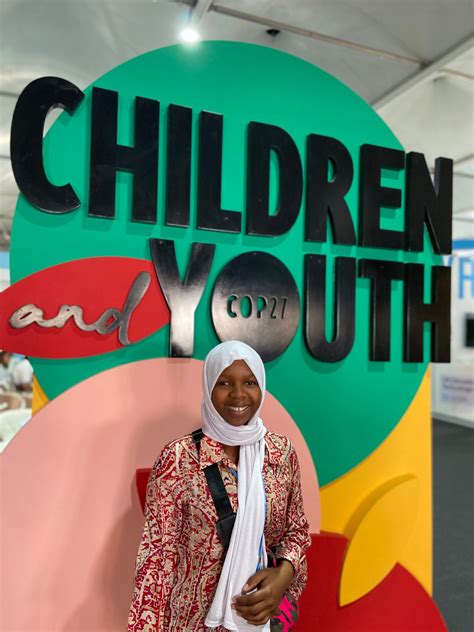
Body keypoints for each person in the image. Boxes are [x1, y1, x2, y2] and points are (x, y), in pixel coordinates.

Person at [128, 340, 311, 631]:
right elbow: (156, 560)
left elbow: (296, 531)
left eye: (249, 382)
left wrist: (283, 576)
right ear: (209, 387)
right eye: (224, 383)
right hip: (192, 623)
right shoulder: (179, 458)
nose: (238, 394)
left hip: (259, 620)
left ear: (261, 387)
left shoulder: (280, 453)